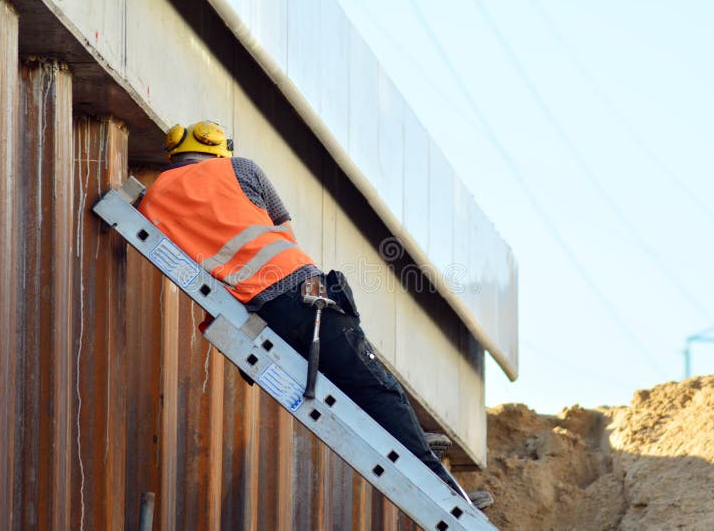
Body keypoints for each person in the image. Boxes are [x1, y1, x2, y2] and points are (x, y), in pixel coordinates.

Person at [138, 120, 493, 510]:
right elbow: (284, 229)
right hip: (305, 298)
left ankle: (416, 445)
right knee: (377, 389)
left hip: (254, 320)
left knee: (352, 397)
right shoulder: (239, 169)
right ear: (218, 148)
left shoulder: (154, 201)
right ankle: (452, 500)